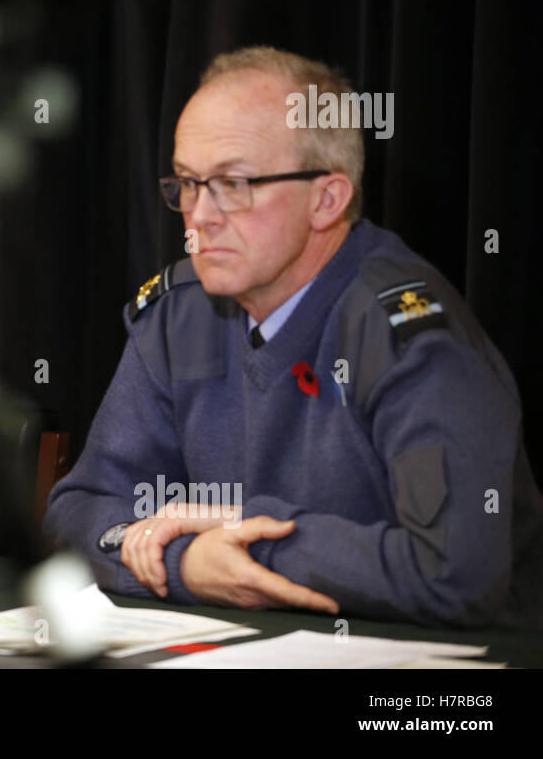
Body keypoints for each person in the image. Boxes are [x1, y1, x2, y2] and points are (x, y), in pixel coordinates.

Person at [45, 46, 543, 628]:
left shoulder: (407, 334)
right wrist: (185, 563)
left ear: (326, 200)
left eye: (233, 183)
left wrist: (250, 542)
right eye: (187, 182)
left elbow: (458, 575)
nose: (198, 215)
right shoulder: (180, 316)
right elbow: (76, 511)